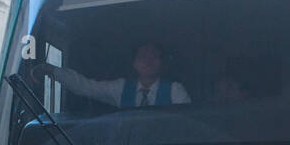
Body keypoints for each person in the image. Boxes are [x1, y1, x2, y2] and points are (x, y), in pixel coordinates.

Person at [38, 42, 191, 107]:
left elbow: (184, 125)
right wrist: (53, 71)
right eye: (142, 56)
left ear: (162, 63)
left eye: (154, 56)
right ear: (134, 63)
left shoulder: (175, 91)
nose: (147, 60)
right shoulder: (121, 88)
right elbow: (86, 87)